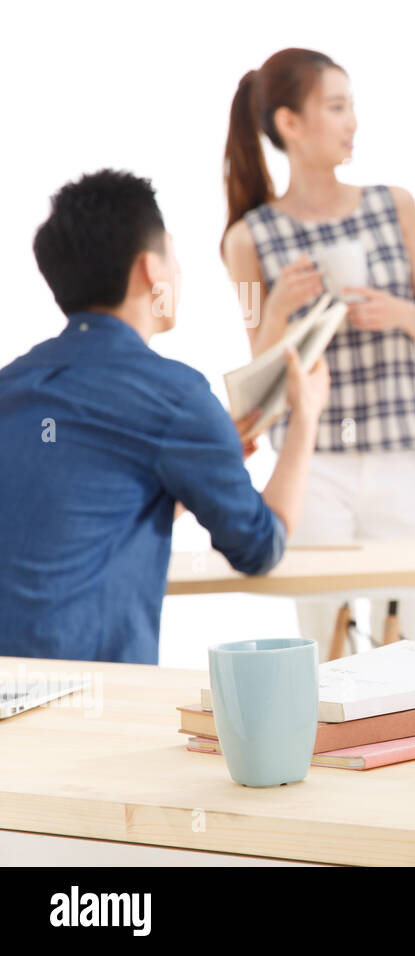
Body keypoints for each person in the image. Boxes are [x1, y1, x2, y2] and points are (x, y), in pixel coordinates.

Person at [0, 169, 328, 664]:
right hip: (98, 696)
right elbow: (258, 546)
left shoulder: (11, 386)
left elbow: (77, 519)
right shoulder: (175, 396)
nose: (180, 272)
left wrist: (190, 471)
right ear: (150, 268)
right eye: (173, 255)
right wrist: (305, 420)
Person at [221, 48, 415, 656]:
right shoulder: (248, 238)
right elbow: (257, 370)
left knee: (407, 637)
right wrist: (276, 310)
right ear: (290, 123)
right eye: (338, 107)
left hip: (398, 447)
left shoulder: (395, 204)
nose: (352, 122)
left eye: (351, 107)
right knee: (323, 642)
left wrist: (396, 313)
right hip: (313, 461)